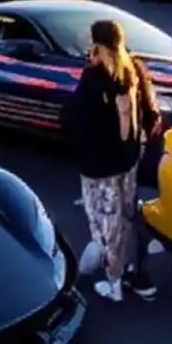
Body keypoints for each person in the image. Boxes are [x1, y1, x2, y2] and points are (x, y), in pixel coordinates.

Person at [69, 20, 161, 302]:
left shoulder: (93, 78)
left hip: (99, 164)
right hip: (128, 159)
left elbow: (74, 117)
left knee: (104, 223)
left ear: (95, 44)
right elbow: (149, 113)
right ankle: (135, 271)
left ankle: (114, 281)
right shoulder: (132, 69)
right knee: (126, 215)